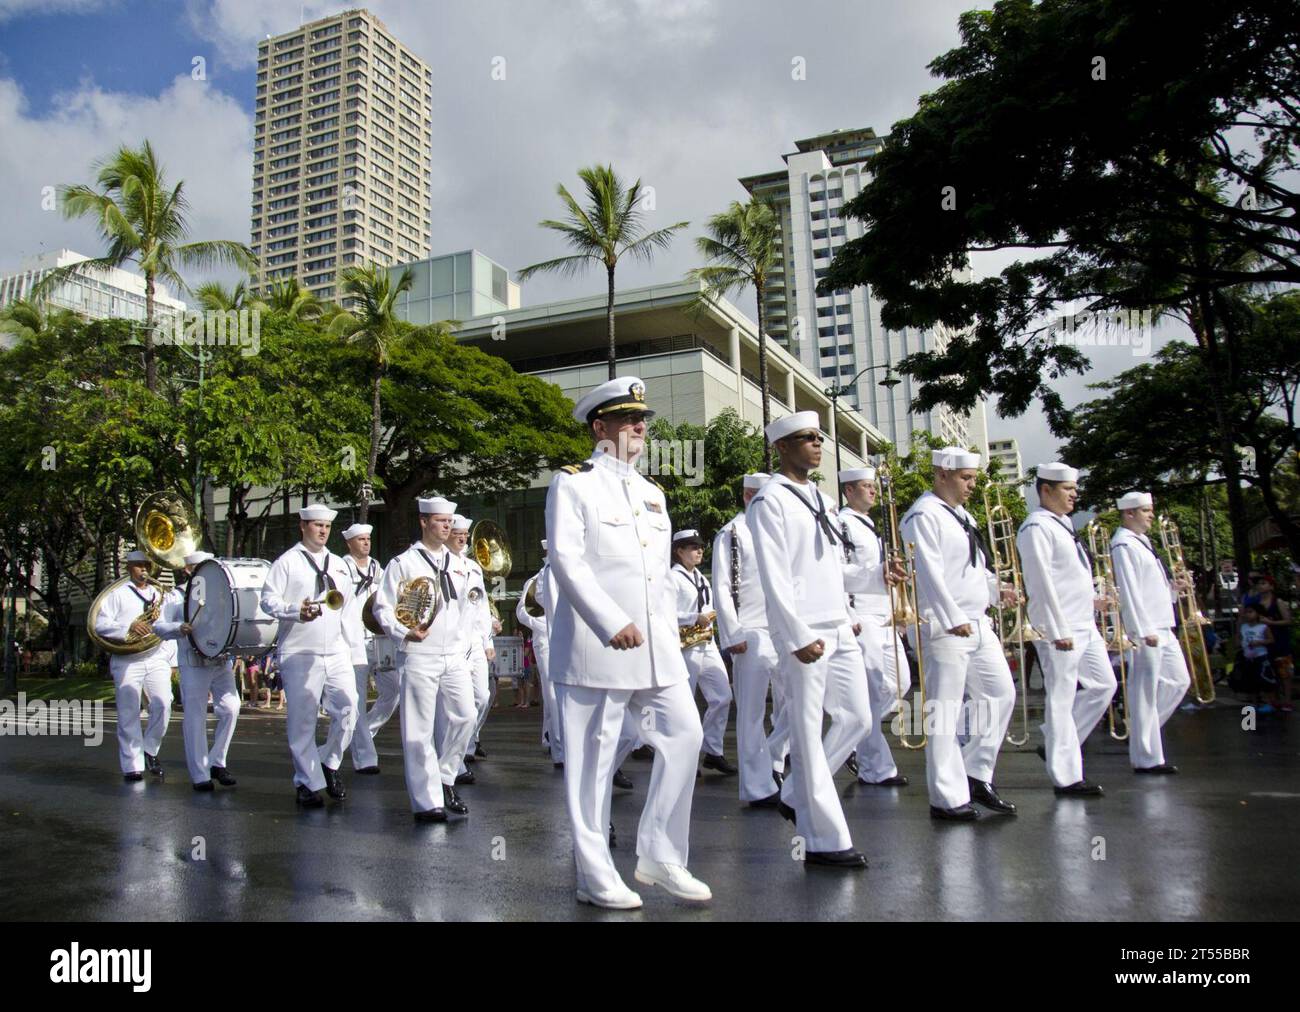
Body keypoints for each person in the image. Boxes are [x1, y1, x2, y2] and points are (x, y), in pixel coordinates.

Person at [546, 376, 710, 908]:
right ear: (600, 427)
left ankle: (661, 856)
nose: (640, 425)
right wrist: (607, 620)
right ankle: (594, 875)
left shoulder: (652, 493)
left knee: (685, 735)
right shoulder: (572, 483)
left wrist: (667, 635)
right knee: (593, 764)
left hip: (655, 645)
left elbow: (656, 577)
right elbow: (566, 561)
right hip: (598, 647)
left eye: (642, 419)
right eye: (628, 419)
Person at [748, 411, 873, 867]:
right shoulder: (770, 501)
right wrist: (795, 634)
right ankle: (823, 839)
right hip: (805, 632)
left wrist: (877, 576)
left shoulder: (820, 498)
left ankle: (797, 791)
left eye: (819, 438)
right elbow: (775, 574)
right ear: (782, 447)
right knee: (805, 731)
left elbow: (830, 567)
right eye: (806, 438)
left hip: (838, 624)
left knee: (858, 718)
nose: (817, 445)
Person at [901, 446, 1020, 821]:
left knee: (1001, 694)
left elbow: (974, 566)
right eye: (966, 478)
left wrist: (997, 589)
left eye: (973, 478)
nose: (972, 485)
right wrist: (952, 615)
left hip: (976, 620)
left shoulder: (961, 515)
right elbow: (928, 569)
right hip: (944, 622)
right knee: (944, 711)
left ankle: (975, 773)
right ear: (942, 475)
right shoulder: (923, 515)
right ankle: (946, 797)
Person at [373, 496, 476, 822]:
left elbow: (465, 609)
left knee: (466, 716)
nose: (447, 526)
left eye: (449, 521)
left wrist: (466, 646)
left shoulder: (459, 562)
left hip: (454, 654)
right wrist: (404, 633)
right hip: (419, 654)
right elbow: (383, 608)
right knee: (418, 731)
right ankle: (426, 802)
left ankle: (444, 777)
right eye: (440, 521)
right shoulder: (404, 563)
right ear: (423, 522)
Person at [1015, 463, 1114, 797]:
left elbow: (1071, 576)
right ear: (1046, 490)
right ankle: (1067, 777)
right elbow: (1040, 581)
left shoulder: (1064, 525)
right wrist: (1057, 629)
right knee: (1061, 698)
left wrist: (1095, 601)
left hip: (1084, 622)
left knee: (1104, 685)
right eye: (1067, 489)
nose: (1074, 494)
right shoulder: (1036, 527)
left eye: (1074, 488)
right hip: (1060, 627)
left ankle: (1057, 739)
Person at [259, 503, 360, 808]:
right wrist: (293, 610)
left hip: (336, 650)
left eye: (327, 527)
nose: (322, 531)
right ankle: (306, 781)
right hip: (300, 650)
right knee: (303, 721)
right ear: (303, 527)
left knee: (349, 708)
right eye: (317, 526)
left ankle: (328, 762)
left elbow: (349, 609)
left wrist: (354, 649)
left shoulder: (340, 564)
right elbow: (267, 601)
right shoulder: (287, 562)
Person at [712, 473, 790, 807]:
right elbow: (721, 587)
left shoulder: (780, 531)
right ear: (747, 496)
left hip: (784, 630)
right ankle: (757, 788)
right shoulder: (732, 532)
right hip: (750, 630)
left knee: (797, 704)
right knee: (752, 713)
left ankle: (771, 759)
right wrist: (732, 633)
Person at [836, 466, 909, 789]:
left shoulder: (872, 526)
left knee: (899, 685)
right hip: (861, 615)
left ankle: (853, 736)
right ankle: (875, 767)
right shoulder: (841, 524)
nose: (873, 492)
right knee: (870, 691)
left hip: (884, 615)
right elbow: (838, 571)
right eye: (866, 487)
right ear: (849, 491)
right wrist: (847, 613)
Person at [1110, 491, 1191, 774]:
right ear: (1129, 513)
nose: (1151, 515)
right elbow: (1130, 591)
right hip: (1147, 628)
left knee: (1179, 681)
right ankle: (1146, 757)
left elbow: (1151, 587)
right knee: (1143, 692)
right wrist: (1140, 630)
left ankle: (1142, 733)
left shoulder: (1143, 542)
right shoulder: (1123, 544)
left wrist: (1173, 590)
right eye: (1146, 511)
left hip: (1163, 623)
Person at [154, 551, 241, 791]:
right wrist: (177, 627)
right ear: (188, 570)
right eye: (199, 567)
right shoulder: (175, 596)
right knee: (195, 716)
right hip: (193, 661)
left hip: (220, 660)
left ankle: (217, 761)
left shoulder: (223, 592)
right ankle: (200, 774)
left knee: (232, 708)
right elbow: (158, 626)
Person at [93, 549, 172, 781]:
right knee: (129, 713)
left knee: (164, 704)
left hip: (156, 657)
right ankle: (132, 766)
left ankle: (150, 749)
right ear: (129, 568)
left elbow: (167, 625)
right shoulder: (117, 594)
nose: (144, 570)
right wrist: (128, 627)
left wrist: (171, 658)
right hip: (127, 659)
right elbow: (100, 624)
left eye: (147, 566)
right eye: (139, 566)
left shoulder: (159, 594)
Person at [671, 529, 737, 776]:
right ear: (679, 551)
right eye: (692, 547)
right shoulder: (673, 578)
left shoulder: (701, 577)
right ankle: (683, 757)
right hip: (683, 644)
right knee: (684, 702)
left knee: (722, 695)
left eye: (700, 547)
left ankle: (713, 750)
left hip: (706, 643)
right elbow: (664, 612)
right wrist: (691, 617)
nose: (699, 551)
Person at [443, 514, 495, 783]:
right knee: (455, 707)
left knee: (483, 697)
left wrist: (488, 641)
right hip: (451, 641)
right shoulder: (442, 562)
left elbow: (482, 606)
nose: (462, 538)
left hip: (474, 640)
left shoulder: (474, 567)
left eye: (465, 534)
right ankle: (456, 760)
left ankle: (465, 744)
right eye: (457, 533)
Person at [340, 522, 388, 775]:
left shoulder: (377, 567)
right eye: (360, 539)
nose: (366, 543)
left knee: (394, 690)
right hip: (354, 638)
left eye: (368, 539)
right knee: (357, 699)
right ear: (350, 543)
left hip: (377, 637)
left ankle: (364, 731)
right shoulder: (342, 567)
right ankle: (365, 757)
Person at [517, 541, 563, 764]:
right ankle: (560, 750)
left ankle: (549, 738)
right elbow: (521, 612)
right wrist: (544, 626)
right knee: (553, 692)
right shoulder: (535, 580)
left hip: (564, 639)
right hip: (545, 640)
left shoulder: (566, 573)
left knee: (554, 693)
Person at [1243, 575, 1293, 712]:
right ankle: (1273, 700)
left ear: (1271, 586)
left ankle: (1287, 701)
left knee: (1284, 671)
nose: (1260, 586)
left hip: (1279, 639)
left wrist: (1272, 623)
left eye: (1264, 583)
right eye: (1259, 584)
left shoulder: (1278, 602)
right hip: (1262, 642)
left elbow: (1288, 620)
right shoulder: (1256, 603)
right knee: (1269, 671)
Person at [1235, 605, 1274, 709]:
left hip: (1261, 656)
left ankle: (1269, 703)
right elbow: (1239, 636)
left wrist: (1260, 642)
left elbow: (1271, 640)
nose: (1248, 614)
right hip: (1248, 656)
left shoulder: (1263, 627)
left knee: (1264, 679)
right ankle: (1254, 703)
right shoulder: (1243, 627)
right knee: (1251, 680)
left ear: (1257, 614)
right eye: (1246, 612)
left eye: (1251, 612)